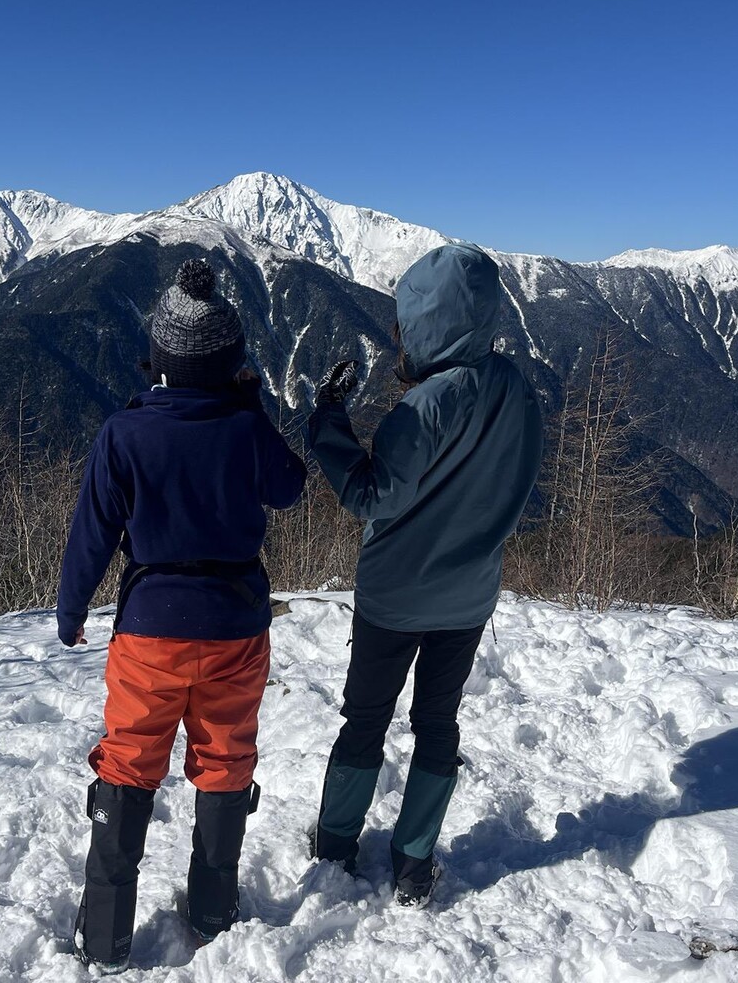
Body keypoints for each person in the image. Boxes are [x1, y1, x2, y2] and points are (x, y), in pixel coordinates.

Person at [56, 258, 307, 972]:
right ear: (232, 362)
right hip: (234, 625)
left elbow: (92, 533)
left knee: (129, 765)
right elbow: (289, 488)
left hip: (149, 632)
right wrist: (254, 409)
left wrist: (73, 608)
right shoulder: (243, 427)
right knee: (225, 761)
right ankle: (212, 912)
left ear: (159, 359)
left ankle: (103, 934)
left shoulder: (125, 433)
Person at [306, 242, 543, 905]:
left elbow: (370, 496)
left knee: (365, 720)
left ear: (434, 323)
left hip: (394, 596)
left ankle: (335, 847)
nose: (399, 336)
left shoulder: (426, 406)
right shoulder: (518, 391)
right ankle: (413, 862)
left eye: (407, 323)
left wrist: (327, 421)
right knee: (438, 724)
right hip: (469, 595)